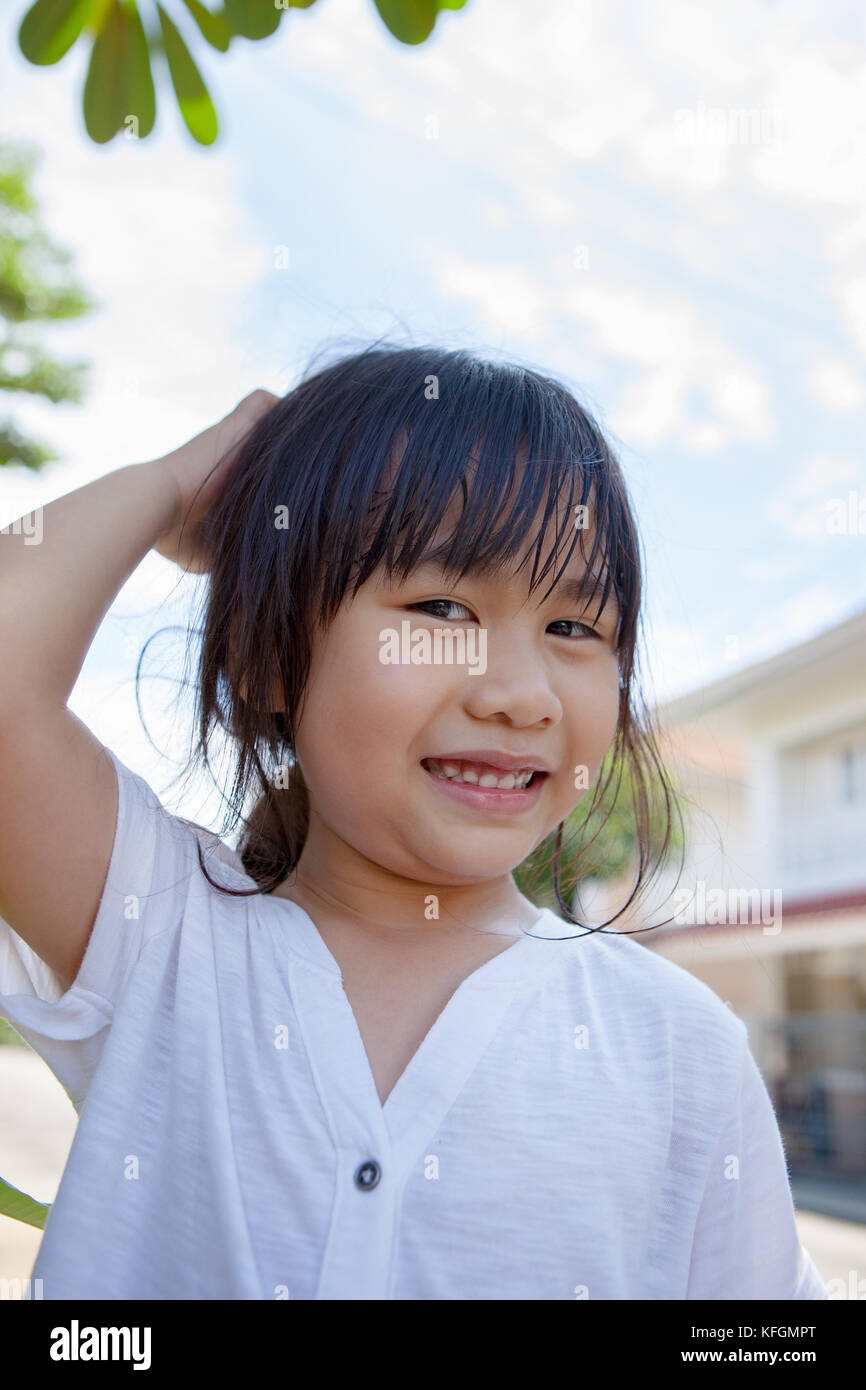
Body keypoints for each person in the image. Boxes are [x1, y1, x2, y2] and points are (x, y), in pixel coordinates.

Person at [0, 342, 827, 1299]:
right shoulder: (159, 940)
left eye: (574, 629)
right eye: (440, 606)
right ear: (269, 656)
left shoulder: (679, 1045)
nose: (522, 697)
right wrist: (179, 484)